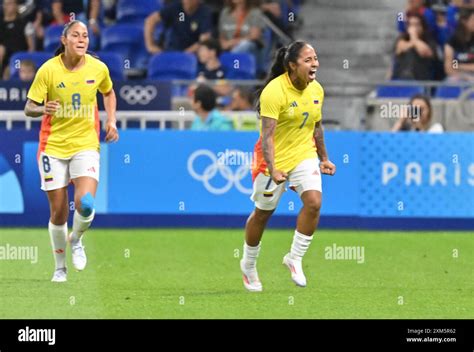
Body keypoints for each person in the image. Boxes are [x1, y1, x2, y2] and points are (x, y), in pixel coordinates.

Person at [24, 20, 119, 283]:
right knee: (59, 212)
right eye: (76, 35)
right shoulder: (48, 70)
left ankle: (76, 239)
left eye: (86, 36)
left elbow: (109, 93)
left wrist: (111, 120)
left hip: (85, 143)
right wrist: (43, 109)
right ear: (64, 40)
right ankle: (59, 267)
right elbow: (29, 107)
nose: (82, 39)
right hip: (52, 146)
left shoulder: (98, 67)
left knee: (86, 203)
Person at [240, 40, 336, 292]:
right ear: (292, 66)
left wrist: (324, 158)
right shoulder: (274, 91)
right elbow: (268, 135)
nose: (314, 63)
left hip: (304, 153)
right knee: (263, 213)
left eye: (315, 58)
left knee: (314, 202)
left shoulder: (317, 90)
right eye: (308, 59)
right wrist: (272, 168)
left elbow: (317, 126)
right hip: (271, 159)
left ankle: (294, 258)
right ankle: (248, 265)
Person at [144, 0, 212, 54]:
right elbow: (150, 20)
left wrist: (184, 54)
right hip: (172, 50)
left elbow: (204, 40)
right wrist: (150, 45)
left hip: (192, 55)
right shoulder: (177, 7)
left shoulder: (204, 12)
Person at [393, 13, 439, 80]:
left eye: (417, 25)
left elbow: (424, 52)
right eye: (411, 25)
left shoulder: (430, 41)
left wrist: (413, 36)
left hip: (421, 80)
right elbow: (401, 48)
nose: (414, 28)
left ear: (422, 26)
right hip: (400, 79)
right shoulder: (401, 39)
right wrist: (414, 41)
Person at [0, 0, 35, 79]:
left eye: (10, 3)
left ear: (16, 5)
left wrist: (27, 60)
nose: (7, 6)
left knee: (12, 69)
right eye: (5, 4)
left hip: (19, 59)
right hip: (3, 58)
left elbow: (31, 47)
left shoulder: (25, 24)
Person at [444, 9, 474, 81]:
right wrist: (464, 76)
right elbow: (448, 68)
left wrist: (458, 66)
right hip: (457, 76)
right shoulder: (453, 41)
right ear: (464, 21)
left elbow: (454, 65)